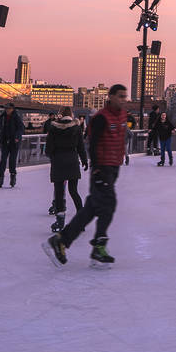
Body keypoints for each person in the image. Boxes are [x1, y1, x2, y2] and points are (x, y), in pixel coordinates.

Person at [44, 84, 129, 269]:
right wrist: (97, 168)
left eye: (125, 96)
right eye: (120, 96)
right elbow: (91, 144)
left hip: (114, 168)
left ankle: (61, 241)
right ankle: (98, 246)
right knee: (108, 206)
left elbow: (121, 138)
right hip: (103, 169)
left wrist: (122, 158)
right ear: (111, 96)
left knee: (91, 209)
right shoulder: (101, 118)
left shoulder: (122, 116)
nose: (124, 99)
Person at [46, 107, 88, 233]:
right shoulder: (76, 128)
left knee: (59, 192)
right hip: (72, 161)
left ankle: (60, 220)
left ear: (60, 115)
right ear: (71, 115)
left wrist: (52, 156)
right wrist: (84, 160)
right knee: (73, 191)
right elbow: (81, 147)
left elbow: (48, 149)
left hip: (58, 162)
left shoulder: (53, 128)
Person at [0, 103, 24, 188]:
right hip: (5, 142)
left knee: (12, 161)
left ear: (13, 109)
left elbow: (21, 129)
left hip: (14, 142)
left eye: (9, 109)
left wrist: (17, 137)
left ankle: (13, 176)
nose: (7, 110)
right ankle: (0, 179)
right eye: (6, 109)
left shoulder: (16, 118)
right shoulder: (2, 118)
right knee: (3, 160)